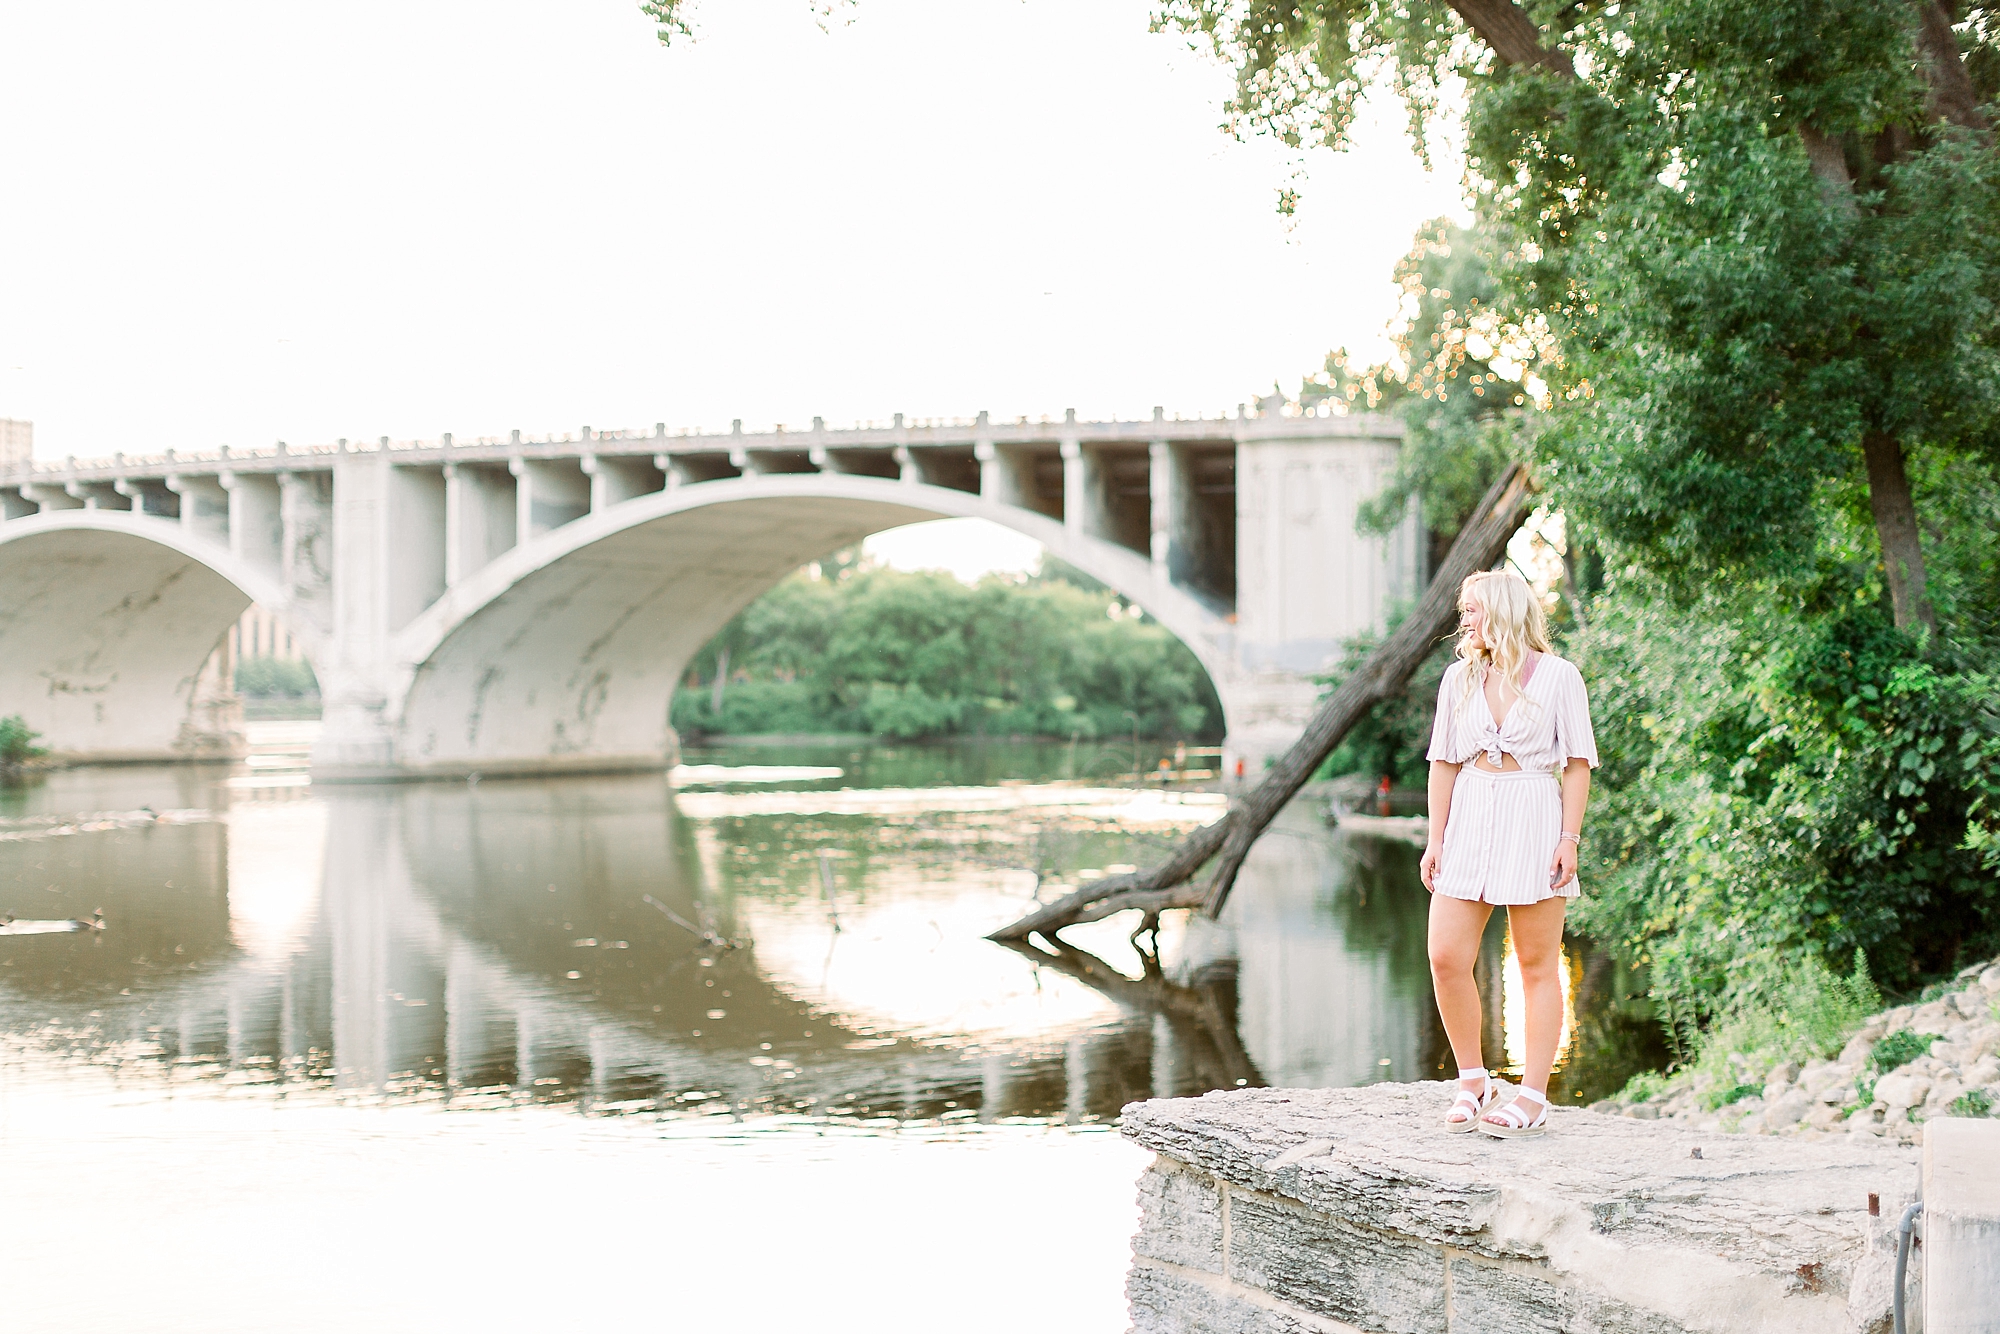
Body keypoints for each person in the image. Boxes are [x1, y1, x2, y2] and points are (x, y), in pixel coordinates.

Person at [1420, 569, 1597, 1139]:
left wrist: (1569, 839)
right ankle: (1473, 1079)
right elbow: (1444, 761)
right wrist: (1436, 837)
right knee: (1446, 955)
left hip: (1532, 815)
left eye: (1473, 610)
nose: (1464, 620)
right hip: (1470, 811)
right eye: (1463, 610)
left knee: (1537, 964)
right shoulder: (1458, 680)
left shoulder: (1560, 677)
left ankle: (1533, 1096)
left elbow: (1575, 764)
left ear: (1502, 612)